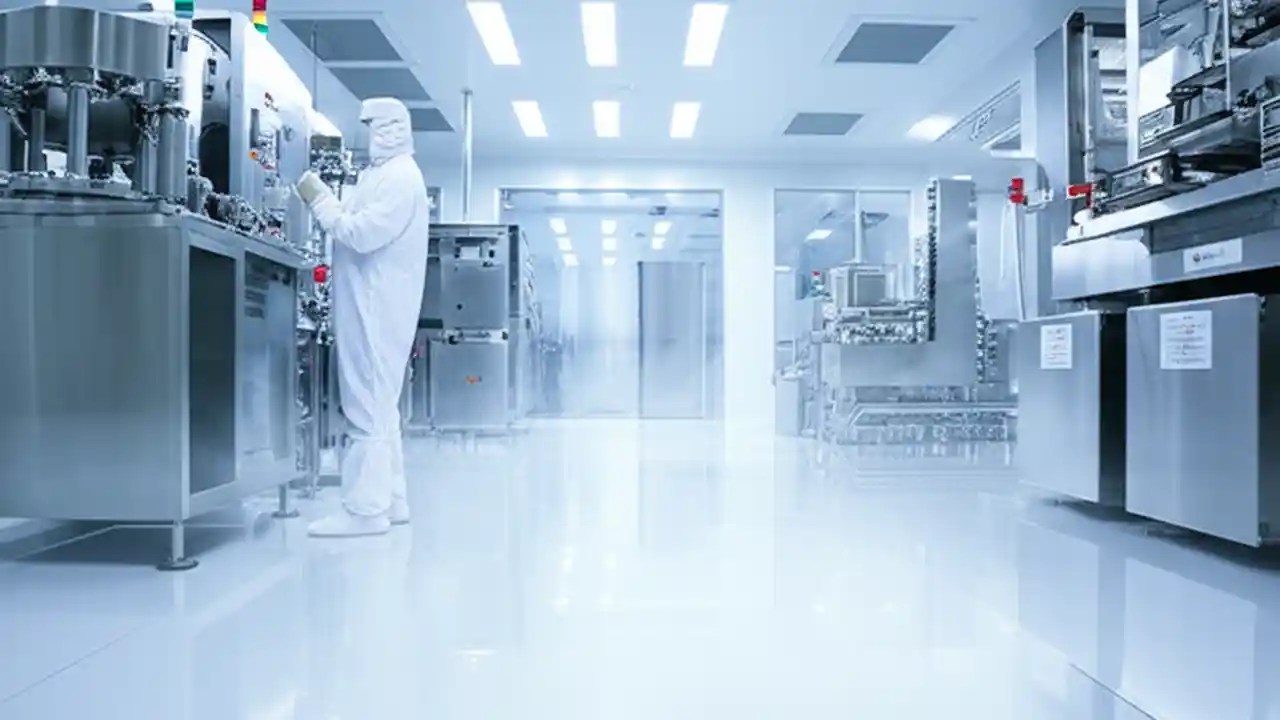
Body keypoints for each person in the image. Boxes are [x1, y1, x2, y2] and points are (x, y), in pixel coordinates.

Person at [295, 97, 430, 537]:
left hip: (376, 306)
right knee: (380, 406)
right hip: (369, 302)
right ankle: (392, 499)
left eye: (376, 126)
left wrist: (319, 201)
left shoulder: (401, 177)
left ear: (395, 127)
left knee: (366, 404)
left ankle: (365, 511)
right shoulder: (382, 175)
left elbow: (362, 233)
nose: (371, 134)